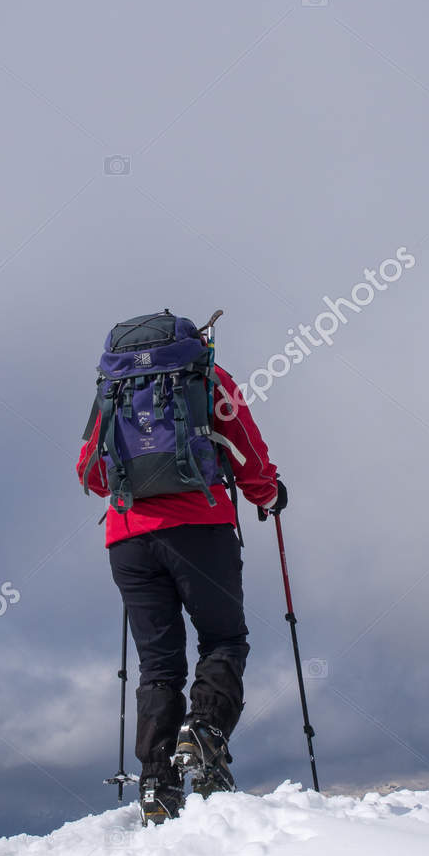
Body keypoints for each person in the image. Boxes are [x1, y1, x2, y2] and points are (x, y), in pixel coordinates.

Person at [77, 311, 285, 824]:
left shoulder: (114, 387)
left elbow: (91, 470)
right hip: (200, 532)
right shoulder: (207, 376)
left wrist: (137, 489)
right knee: (223, 640)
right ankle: (205, 733)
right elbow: (249, 452)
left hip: (128, 541)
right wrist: (269, 494)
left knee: (158, 664)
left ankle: (156, 782)